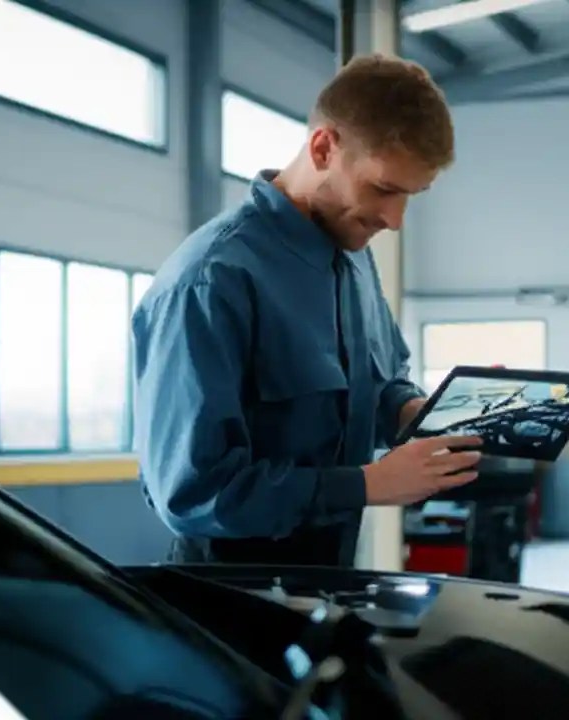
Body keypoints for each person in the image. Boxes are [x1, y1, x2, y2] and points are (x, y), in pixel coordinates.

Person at [132, 54, 481, 568]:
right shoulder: (210, 280)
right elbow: (191, 492)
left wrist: (413, 415)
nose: (395, 219)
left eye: (411, 196)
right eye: (383, 189)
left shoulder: (353, 259)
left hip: (326, 580)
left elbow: (382, 382)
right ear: (323, 147)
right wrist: (364, 485)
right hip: (225, 596)